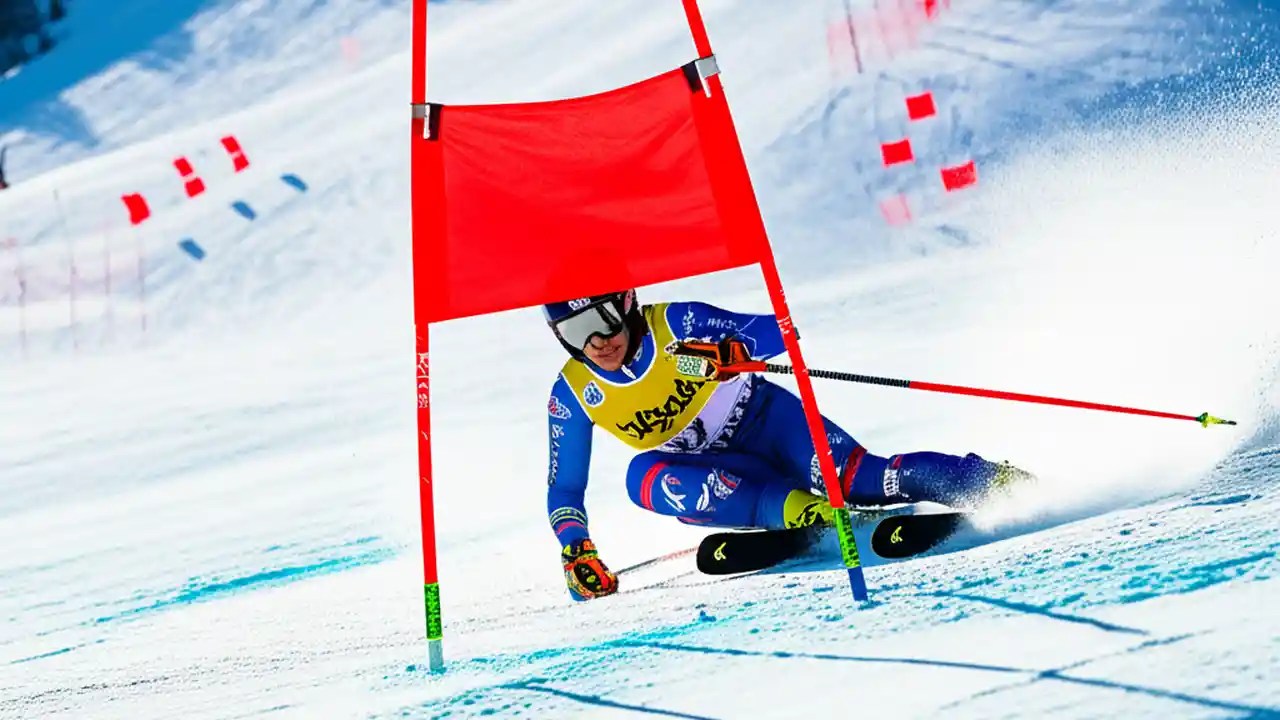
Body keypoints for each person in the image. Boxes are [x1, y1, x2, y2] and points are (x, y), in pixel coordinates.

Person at [544, 289, 1032, 601]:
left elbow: (779, 329)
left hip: (773, 426)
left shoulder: (677, 324)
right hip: (725, 475)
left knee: (858, 480)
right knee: (643, 477)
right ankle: (798, 513)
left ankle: (991, 481)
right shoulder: (572, 394)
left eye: (601, 321)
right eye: (574, 332)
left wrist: (735, 349)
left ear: (626, 303)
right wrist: (576, 550)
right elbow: (564, 489)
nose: (595, 343)